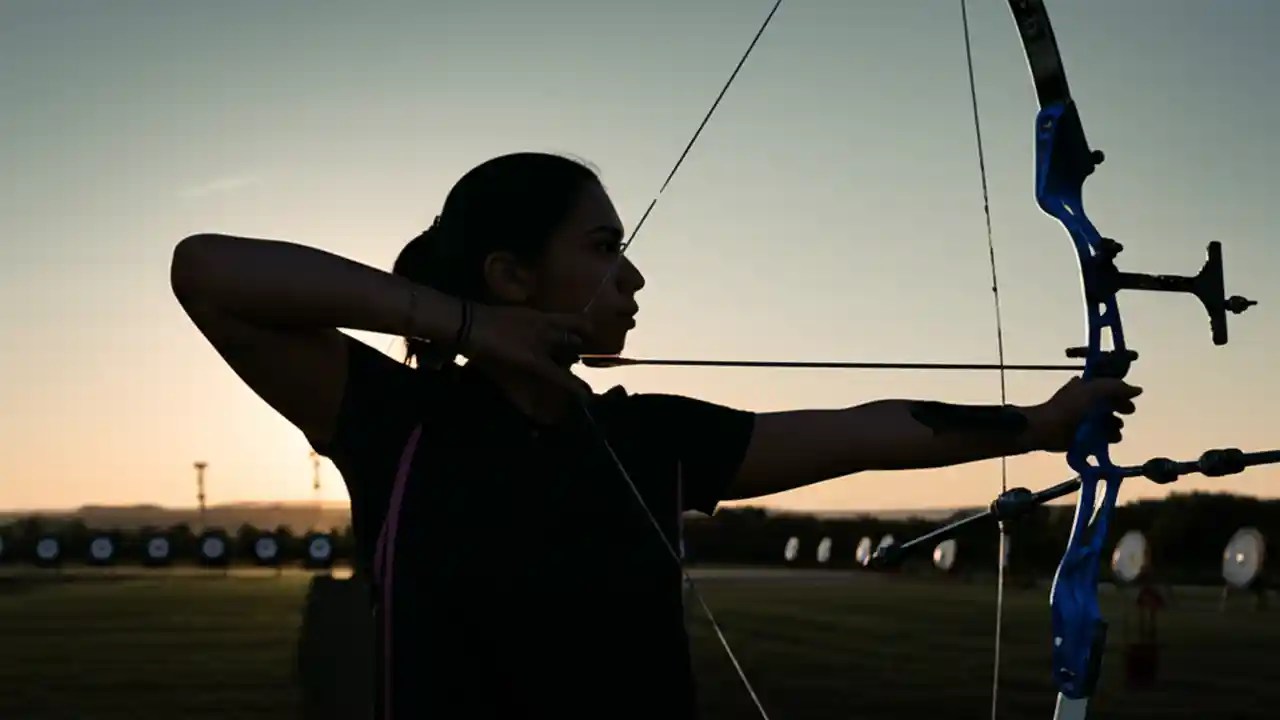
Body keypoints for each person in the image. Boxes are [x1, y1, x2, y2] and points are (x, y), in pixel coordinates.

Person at [169, 151, 1141, 719]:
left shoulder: (644, 439)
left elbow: (863, 432)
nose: (629, 278)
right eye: (602, 248)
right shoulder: (398, 420)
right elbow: (207, 270)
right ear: (511, 274)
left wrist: (1041, 421)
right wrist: (464, 327)